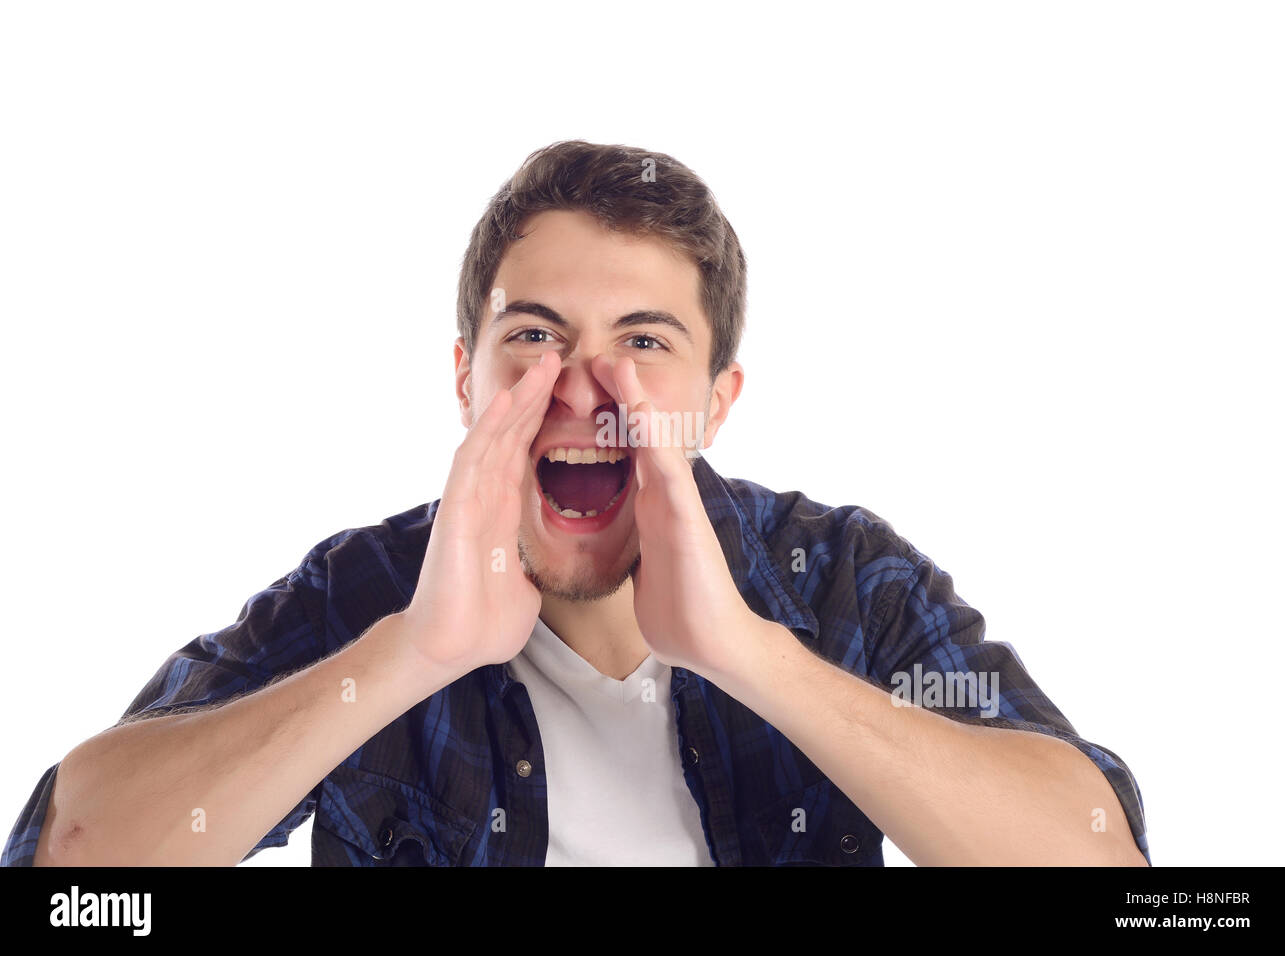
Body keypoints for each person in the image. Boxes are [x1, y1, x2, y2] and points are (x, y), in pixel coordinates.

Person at [3, 140, 1150, 867]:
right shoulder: (369, 593)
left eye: (643, 342)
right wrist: (411, 654)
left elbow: (1105, 865)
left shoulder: (834, 576)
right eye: (536, 335)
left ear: (715, 398)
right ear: (467, 376)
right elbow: (70, 862)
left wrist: (753, 658)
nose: (585, 388)